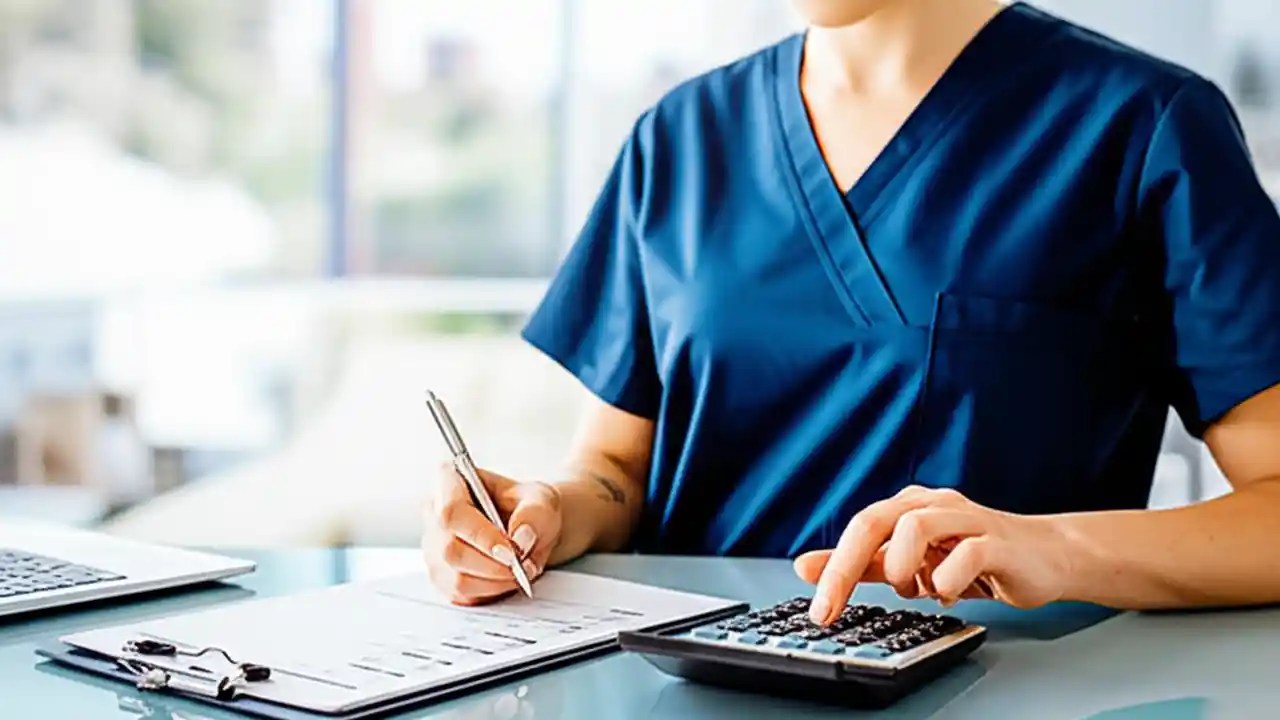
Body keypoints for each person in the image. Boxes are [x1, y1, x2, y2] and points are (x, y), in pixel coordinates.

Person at [421, 0, 1280, 624]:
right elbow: (615, 471)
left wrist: (1059, 549)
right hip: (679, 683)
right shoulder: (678, 139)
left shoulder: (1142, 128)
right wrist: (541, 513)